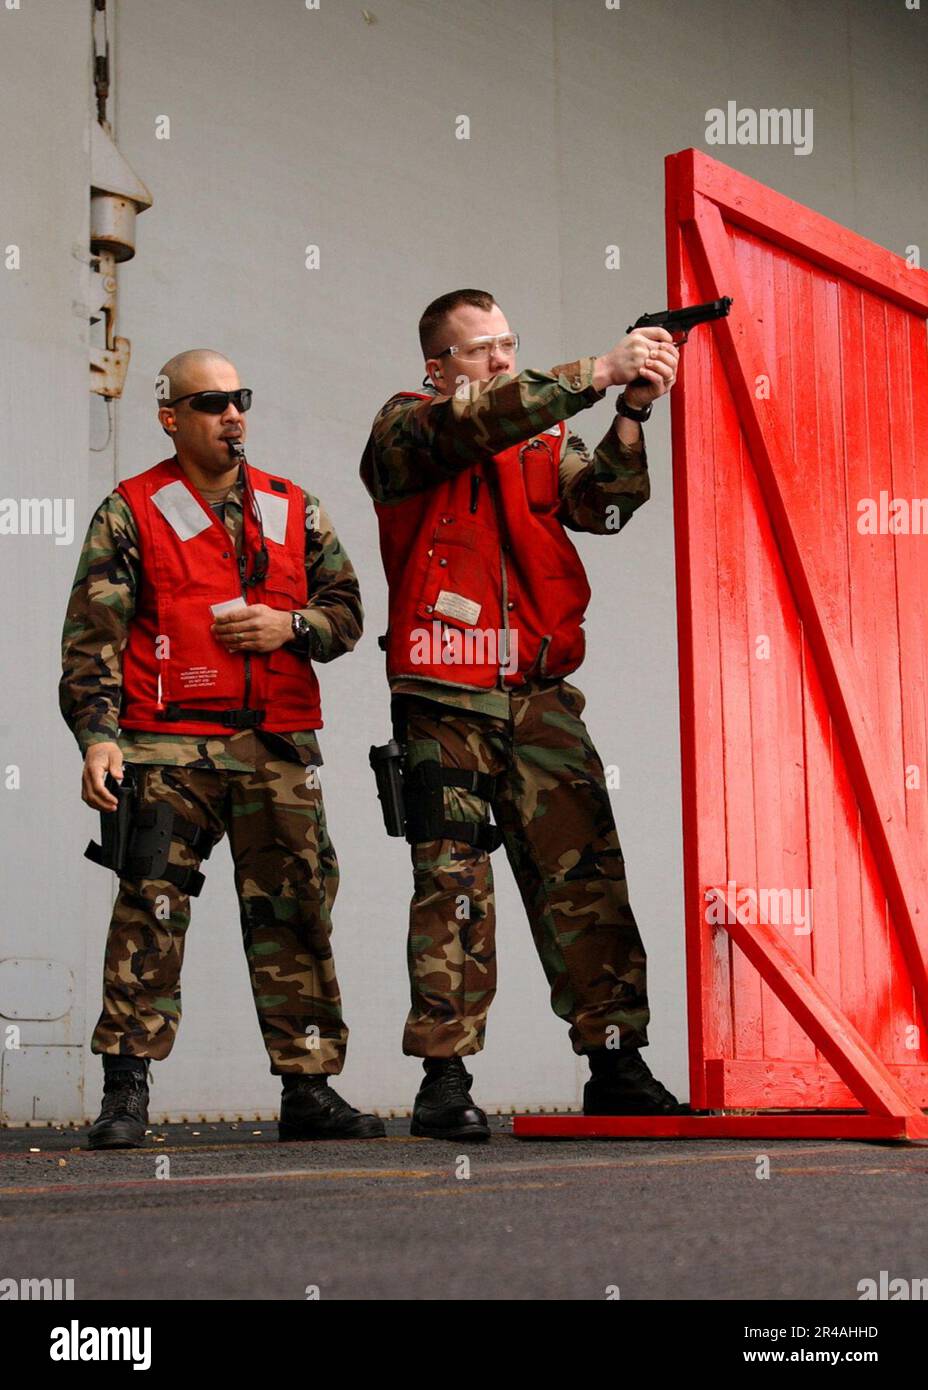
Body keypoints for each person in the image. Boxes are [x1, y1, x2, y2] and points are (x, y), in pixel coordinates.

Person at [360, 290, 686, 1139]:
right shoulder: (407, 428)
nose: (502, 362)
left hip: (539, 692)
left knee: (585, 881)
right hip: (444, 692)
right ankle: (444, 1077)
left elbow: (604, 509)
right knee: (453, 889)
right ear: (438, 366)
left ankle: (614, 1063)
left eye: (509, 345)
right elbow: (477, 424)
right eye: (481, 350)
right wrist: (598, 369)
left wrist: (632, 410)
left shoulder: (544, 433)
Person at [61, 348, 384, 1148]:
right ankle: (125, 1092)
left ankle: (309, 1090)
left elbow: (346, 611)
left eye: (240, 397)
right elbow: (90, 641)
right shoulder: (129, 510)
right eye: (210, 402)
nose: (232, 413)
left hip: (275, 746)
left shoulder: (292, 506)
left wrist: (293, 625)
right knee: (150, 912)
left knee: (297, 911)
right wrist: (99, 740)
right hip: (166, 747)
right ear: (171, 417)